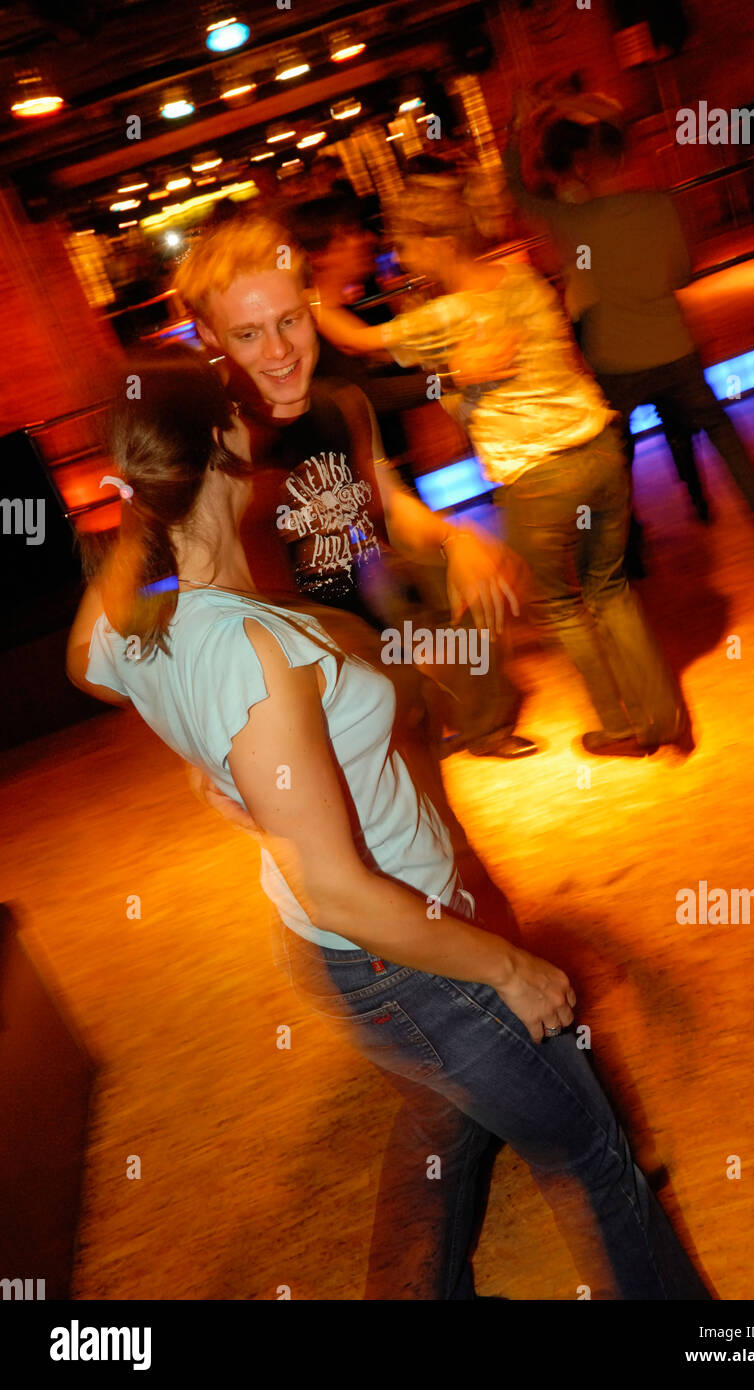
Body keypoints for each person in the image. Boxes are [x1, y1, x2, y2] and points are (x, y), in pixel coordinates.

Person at [66, 348, 712, 1300]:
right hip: (398, 950)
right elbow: (340, 885)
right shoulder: (254, 649)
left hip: (348, 944)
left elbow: (84, 659)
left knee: (446, 1128)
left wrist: (145, 508)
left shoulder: (133, 625)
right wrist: (507, 964)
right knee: (594, 1153)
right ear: (223, 442)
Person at [315, 175, 689, 758]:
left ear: (439, 244)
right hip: (600, 449)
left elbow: (358, 340)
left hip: (537, 478)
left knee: (562, 605)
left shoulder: (444, 315)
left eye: (406, 247)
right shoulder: (521, 275)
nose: (400, 259)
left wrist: (315, 297)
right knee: (610, 589)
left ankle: (623, 728)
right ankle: (663, 718)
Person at [172, 215, 536, 761]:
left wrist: (456, 541)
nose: (278, 352)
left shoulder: (340, 404)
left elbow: (385, 500)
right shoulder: (206, 449)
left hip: (383, 667)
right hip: (311, 717)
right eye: (248, 334)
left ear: (310, 305)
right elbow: (203, 602)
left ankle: (479, 723)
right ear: (209, 336)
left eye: (289, 321)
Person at [503, 90, 754, 538]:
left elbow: (517, 192)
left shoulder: (572, 220)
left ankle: (629, 543)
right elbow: (684, 273)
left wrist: (518, 132)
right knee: (716, 424)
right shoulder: (661, 205)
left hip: (615, 359)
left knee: (617, 454)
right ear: (623, 157)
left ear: (581, 167)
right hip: (674, 347)